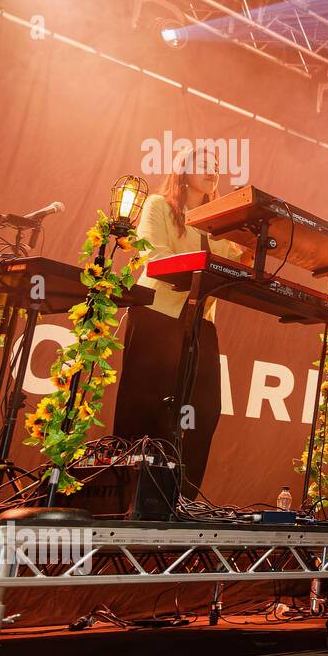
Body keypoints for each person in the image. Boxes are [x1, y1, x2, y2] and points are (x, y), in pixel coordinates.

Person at [113, 148, 245, 496]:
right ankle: (130, 494)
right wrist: (202, 264)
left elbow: (238, 264)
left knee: (203, 410)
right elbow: (154, 255)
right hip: (158, 314)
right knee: (146, 406)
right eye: (204, 165)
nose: (213, 171)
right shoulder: (158, 206)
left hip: (200, 324)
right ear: (183, 171)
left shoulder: (219, 227)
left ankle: (182, 497)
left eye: (216, 167)